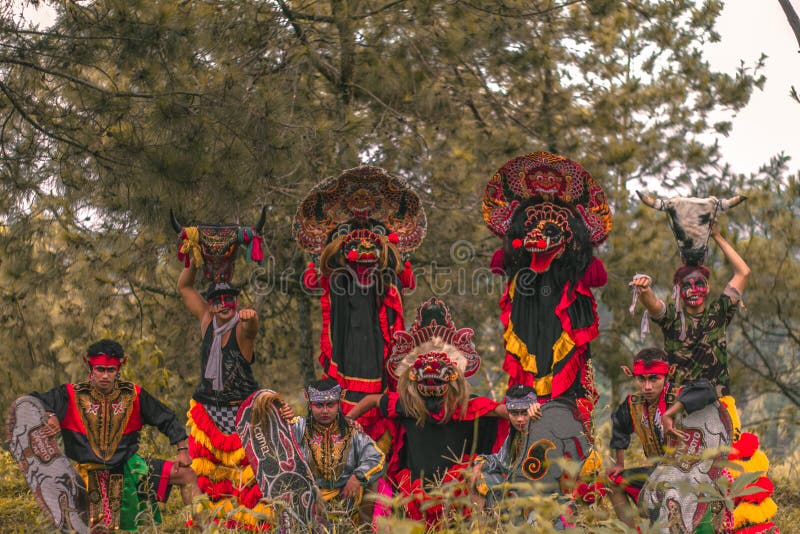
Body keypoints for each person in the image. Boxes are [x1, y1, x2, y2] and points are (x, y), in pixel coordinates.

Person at [31, 339, 200, 531]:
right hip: (90, 477)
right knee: (100, 528)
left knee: (186, 474)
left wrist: (182, 449)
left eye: (110, 370)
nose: (105, 375)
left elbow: (166, 418)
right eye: (100, 369)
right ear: (90, 367)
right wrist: (50, 415)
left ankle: (201, 530)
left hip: (131, 469)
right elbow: (34, 399)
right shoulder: (69, 394)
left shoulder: (133, 394)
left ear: (119, 368)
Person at [177, 264, 267, 526]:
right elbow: (184, 287)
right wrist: (192, 260)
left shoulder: (241, 328)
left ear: (237, 302)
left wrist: (251, 318)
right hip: (207, 413)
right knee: (204, 476)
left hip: (240, 414)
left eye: (230, 299)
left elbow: (251, 329)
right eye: (217, 300)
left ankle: (247, 525)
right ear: (211, 304)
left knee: (245, 477)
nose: (224, 304)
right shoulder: (207, 320)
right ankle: (208, 527)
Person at [607, 348, 717, 527]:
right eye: (641, 379)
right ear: (632, 375)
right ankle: (632, 531)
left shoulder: (679, 395)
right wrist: (619, 463)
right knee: (612, 482)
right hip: (657, 473)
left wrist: (669, 415)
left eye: (654, 378)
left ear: (668, 374)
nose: (647, 386)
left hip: (689, 475)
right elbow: (619, 425)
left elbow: (707, 391)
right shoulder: (633, 404)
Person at [285, 378, 387, 523]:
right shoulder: (298, 427)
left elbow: (377, 457)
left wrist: (357, 477)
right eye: (319, 405)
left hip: (346, 500)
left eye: (330, 405)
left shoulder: (351, 431)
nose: (325, 411)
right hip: (307, 500)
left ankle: (363, 530)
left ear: (340, 401)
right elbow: (274, 440)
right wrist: (280, 415)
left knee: (372, 479)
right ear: (309, 402)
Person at [470, 385, 540, 507]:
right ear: (508, 413)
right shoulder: (516, 434)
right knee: (479, 478)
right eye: (514, 413)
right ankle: (482, 525)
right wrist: (480, 464)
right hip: (517, 490)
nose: (520, 419)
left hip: (541, 494)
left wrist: (542, 412)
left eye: (524, 413)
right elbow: (502, 461)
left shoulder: (544, 427)